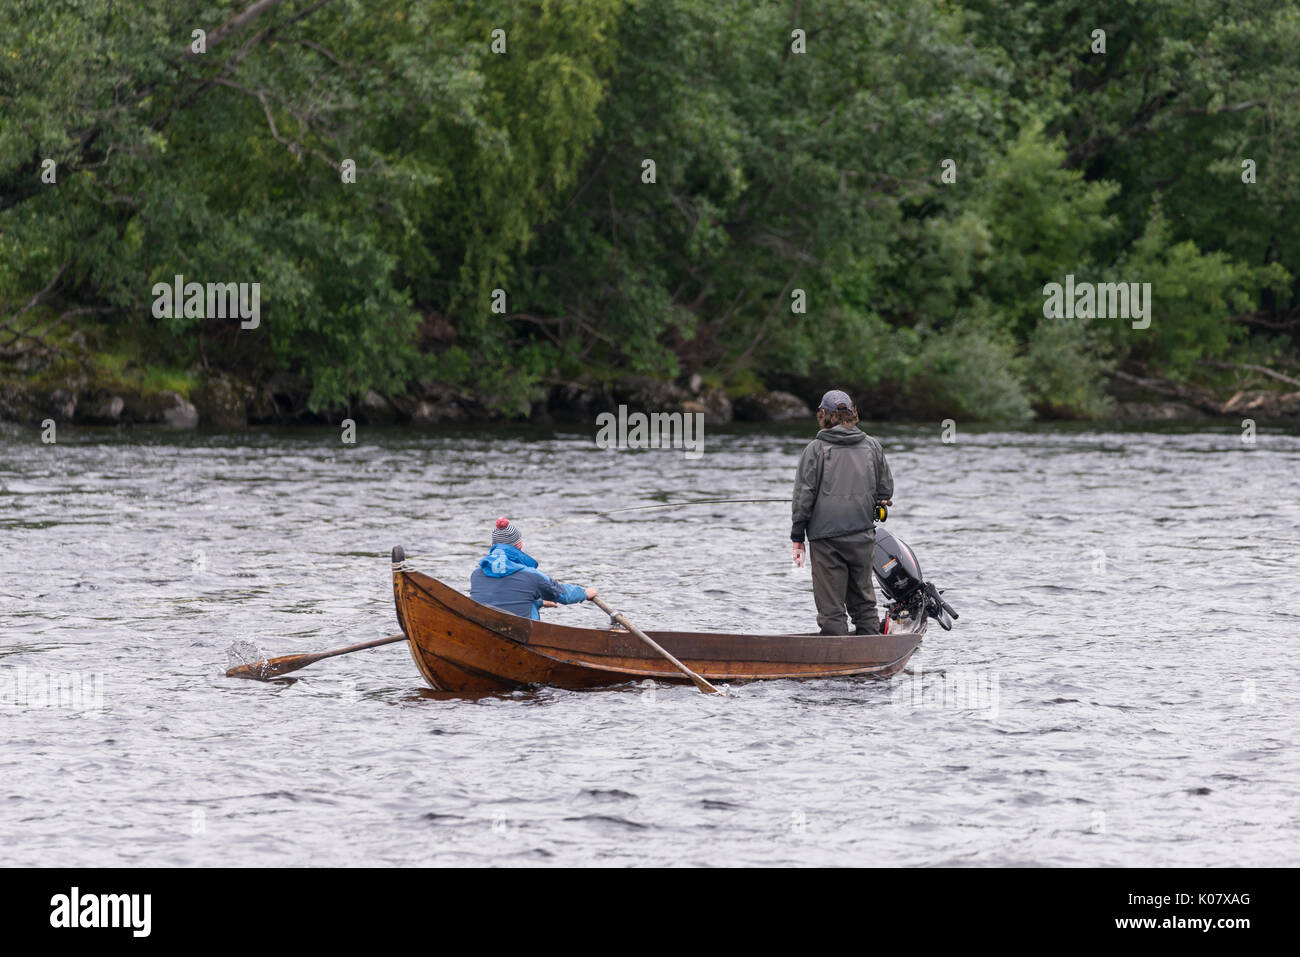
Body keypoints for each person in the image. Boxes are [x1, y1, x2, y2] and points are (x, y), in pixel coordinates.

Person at [790, 390, 894, 635]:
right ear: (852, 414)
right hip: (862, 535)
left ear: (823, 414)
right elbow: (886, 490)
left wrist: (797, 537)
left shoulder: (815, 450)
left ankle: (836, 665)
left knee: (832, 610)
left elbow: (804, 497)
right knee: (864, 604)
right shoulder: (872, 446)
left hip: (825, 540)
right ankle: (873, 658)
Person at [470, 517, 596, 619]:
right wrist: (584, 593)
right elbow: (563, 595)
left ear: (492, 545)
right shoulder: (531, 575)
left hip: (485, 626)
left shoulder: (476, 574)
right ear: (519, 544)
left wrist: (540, 602)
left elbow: (501, 601)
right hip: (522, 634)